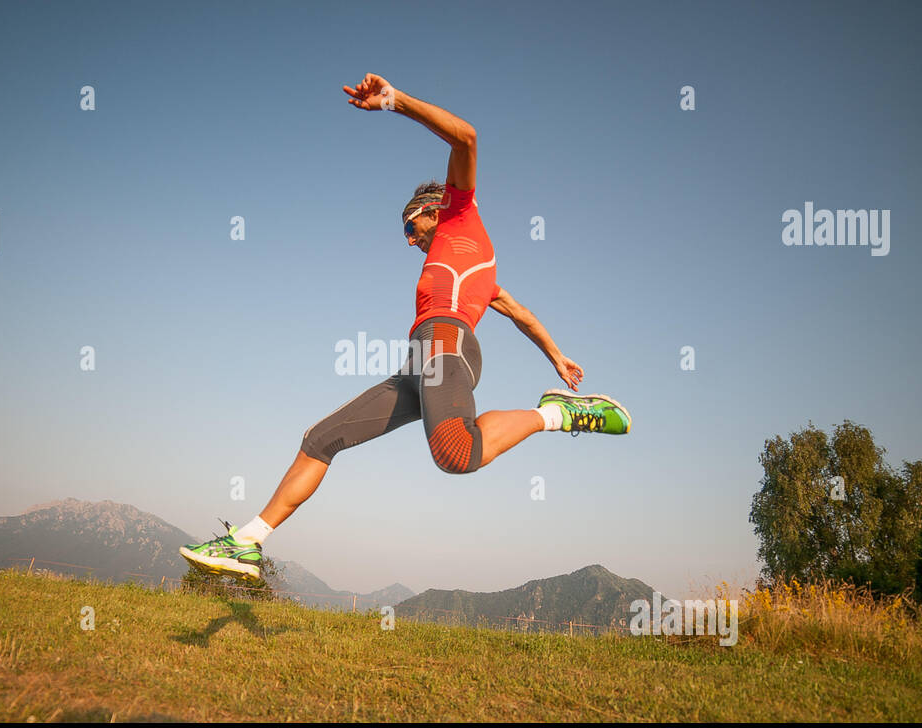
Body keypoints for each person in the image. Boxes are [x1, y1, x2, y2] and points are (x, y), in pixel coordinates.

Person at [179, 74, 631, 583]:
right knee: (321, 438)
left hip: (448, 344)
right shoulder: (484, 276)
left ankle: (557, 415)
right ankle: (246, 542)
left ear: (432, 210)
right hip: (421, 363)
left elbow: (467, 137)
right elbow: (521, 314)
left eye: (409, 225)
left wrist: (394, 101)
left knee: (457, 453)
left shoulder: (460, 217)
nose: (408, 238)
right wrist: (557, 355)